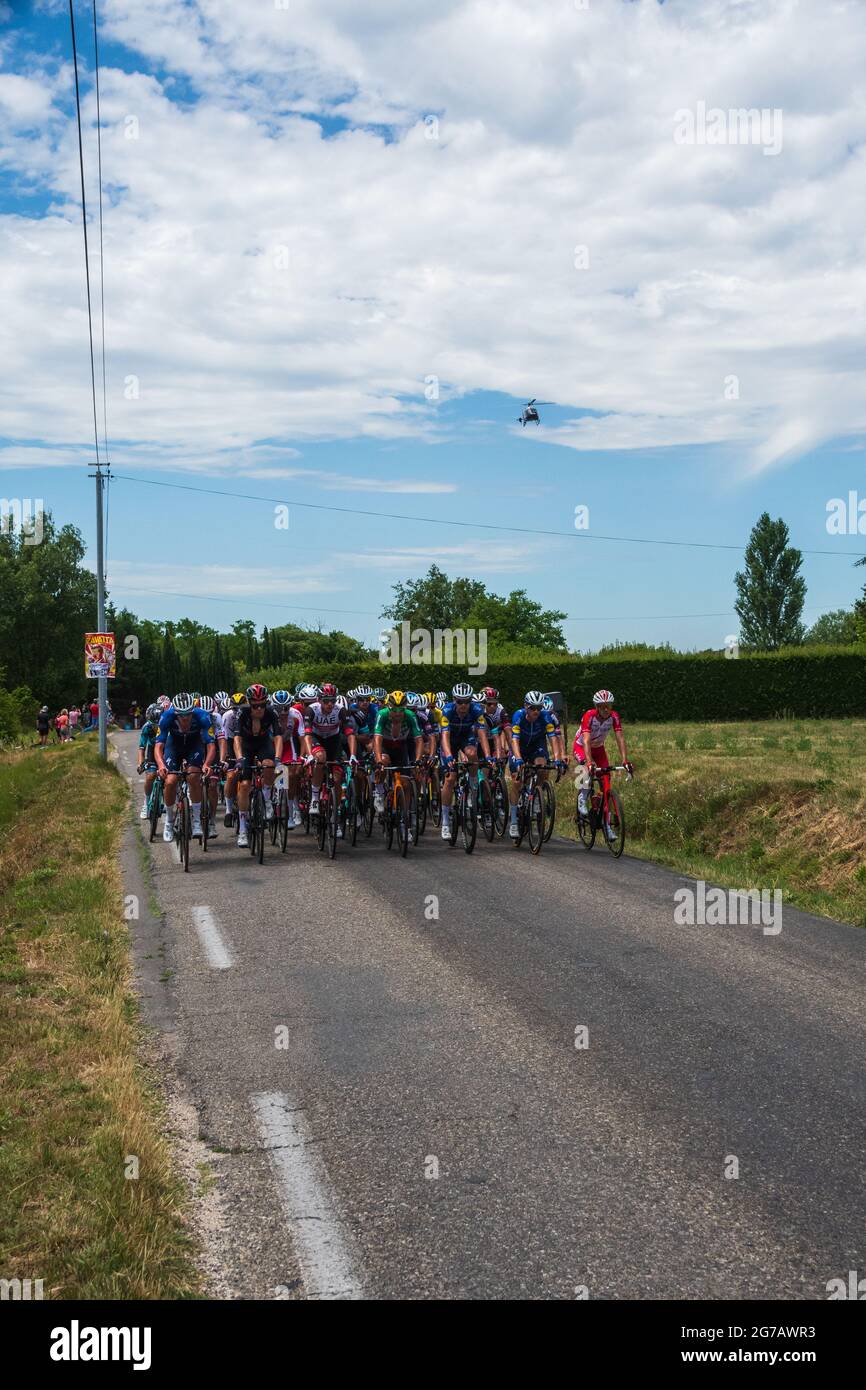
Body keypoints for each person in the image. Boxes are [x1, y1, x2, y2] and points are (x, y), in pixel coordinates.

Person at [153, 692, 216, 843]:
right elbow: (158, 746)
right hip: (173, 746)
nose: (185, 718)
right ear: (175, 713)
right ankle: (168, 822)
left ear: (192, 711)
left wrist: (207, 764)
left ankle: (195, 821)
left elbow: (211, 745)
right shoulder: (166, 717)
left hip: (194, 746)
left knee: (194, 777)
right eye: (182, 715)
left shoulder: (202, 716)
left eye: (188, 714)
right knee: (170, 781)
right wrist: (161, 765)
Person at [573, 688, 632, 828]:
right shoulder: (589, 715)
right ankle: (582, 796)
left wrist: (625, 760)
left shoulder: (614, 716)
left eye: (609, 705)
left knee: (606, 781)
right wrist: (588, 761)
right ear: (597, 707)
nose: (606, 709)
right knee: (586, 769)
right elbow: (586, 740)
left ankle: (606, 823)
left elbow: (620, 738)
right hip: (581, 746)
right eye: (603, 706)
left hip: (599, 748)